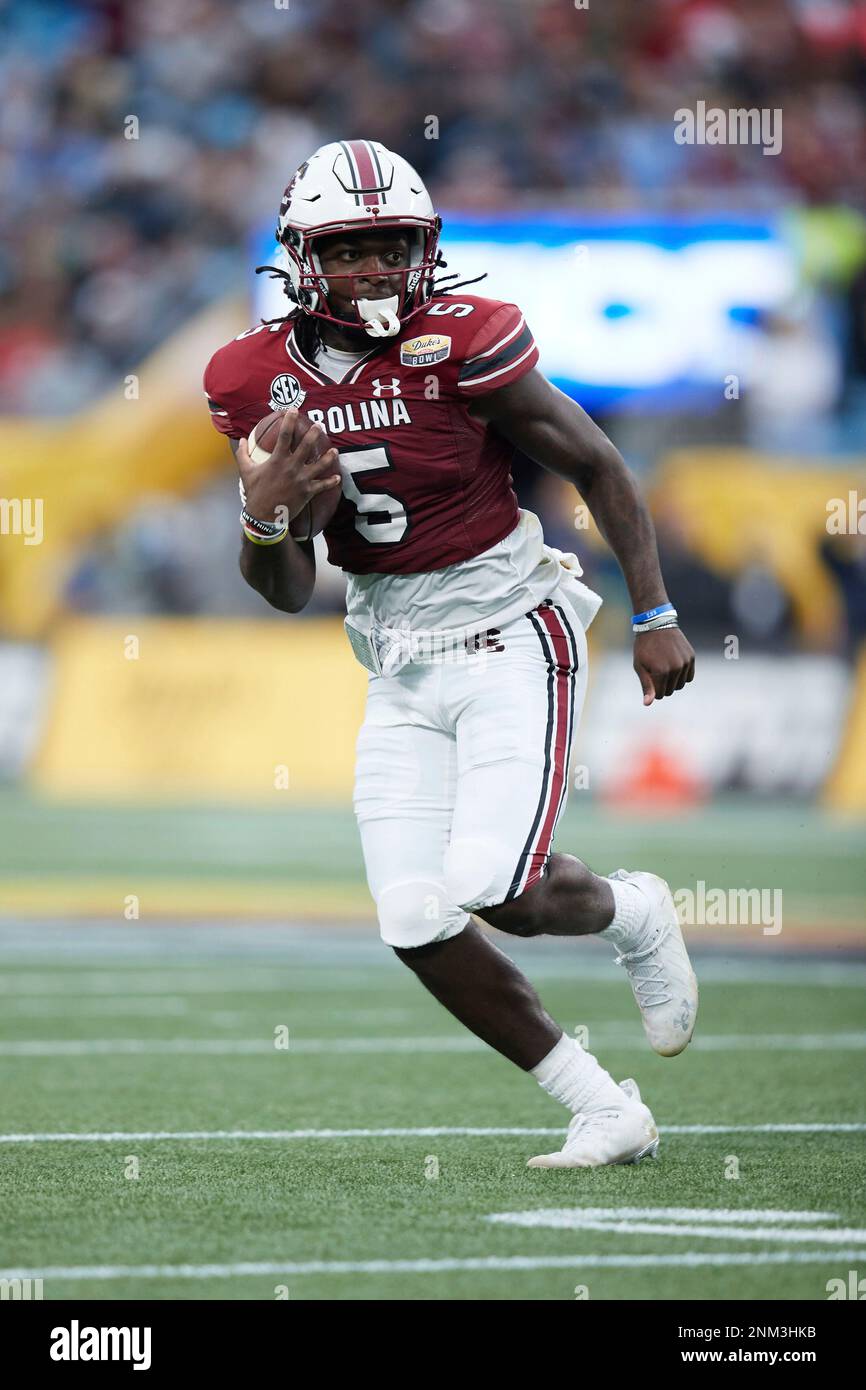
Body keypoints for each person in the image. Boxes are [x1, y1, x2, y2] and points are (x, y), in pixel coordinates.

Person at [204, 140, 698, 1167]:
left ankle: (632, 910)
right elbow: (289, 591)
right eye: (355, 251)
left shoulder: (463, 339)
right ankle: (603, 1107)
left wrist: (653, 616)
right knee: (414, 913)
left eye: (396, 247)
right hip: (395, 659)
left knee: (496, 885)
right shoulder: (248, 378)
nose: (381, 269)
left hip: (510, 628)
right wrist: (265, 526)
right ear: (300, 258)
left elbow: (597, 464)